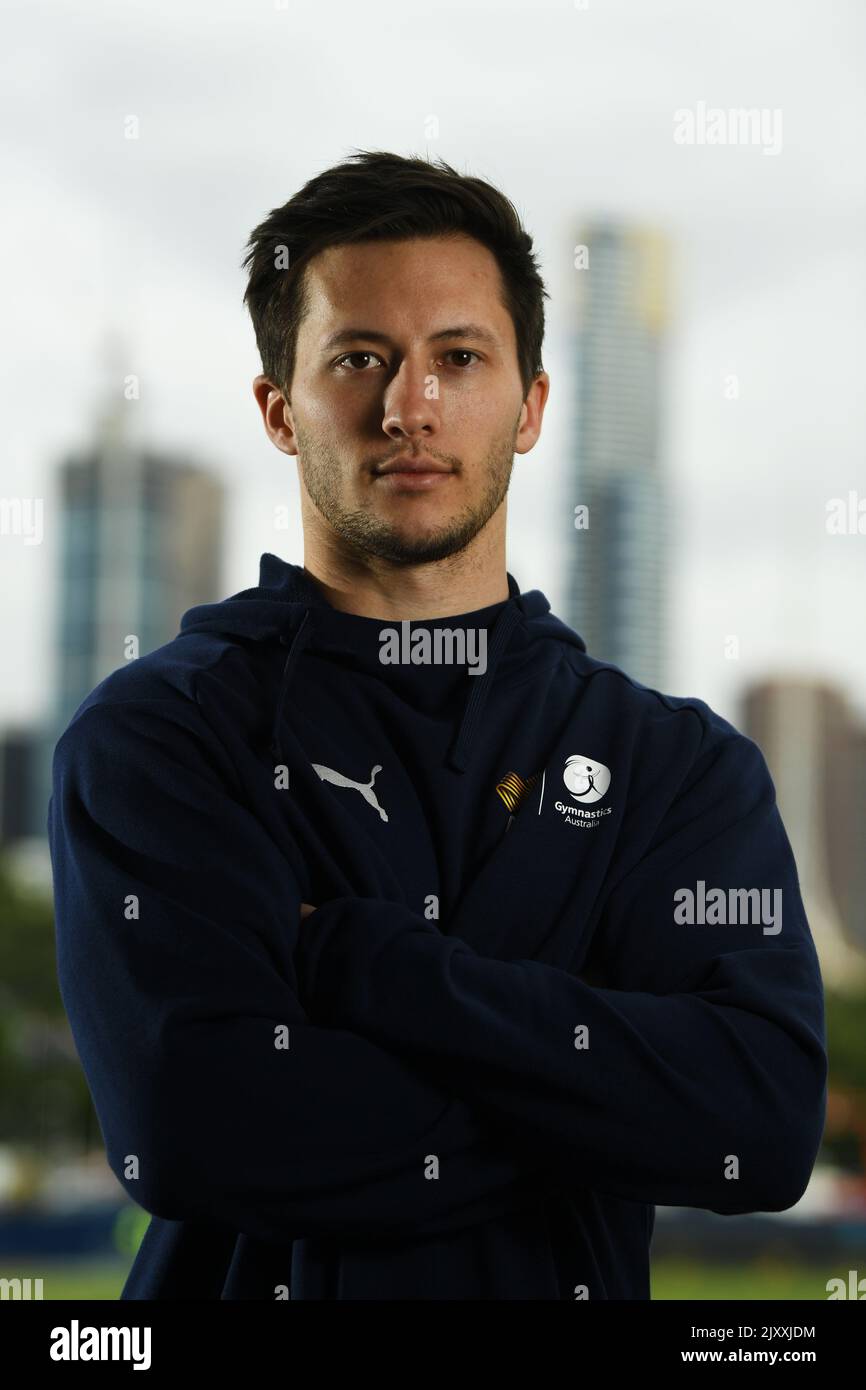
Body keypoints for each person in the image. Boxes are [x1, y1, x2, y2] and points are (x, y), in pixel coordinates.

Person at [48, 150, 827, 1301]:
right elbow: (190, 1127)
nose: (408, 406)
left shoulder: (671, 767)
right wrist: (602, 1095)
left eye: (458, 358)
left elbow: (756, 1122)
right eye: (359, 358)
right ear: (278, 408)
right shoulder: (163, 736)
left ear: (529, 406)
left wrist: (366, 967)